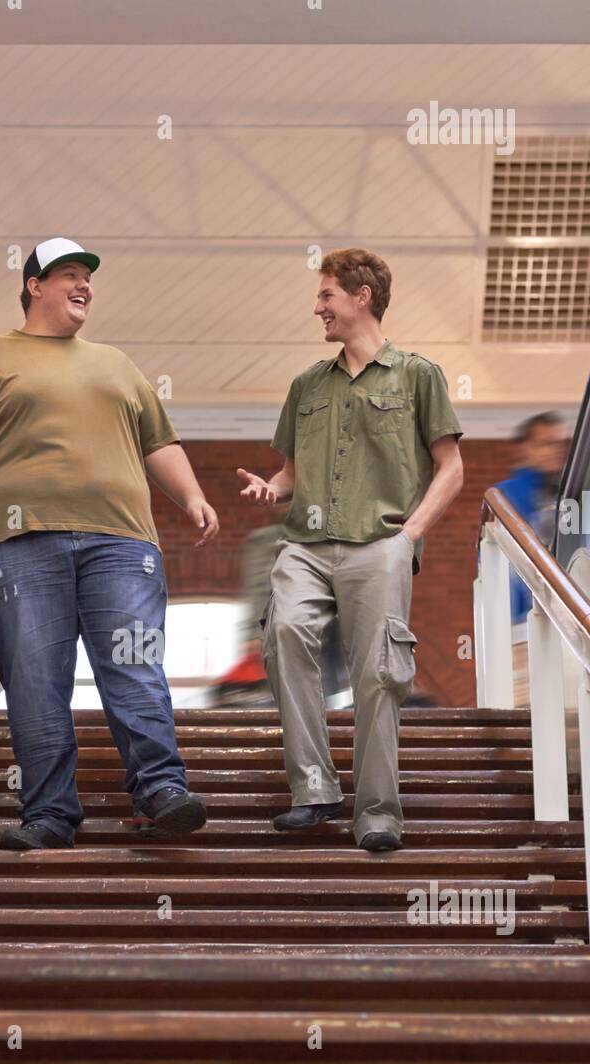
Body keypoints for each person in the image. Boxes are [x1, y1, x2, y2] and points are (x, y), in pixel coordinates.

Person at [0, 236, 219, 850]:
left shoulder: (116, 364)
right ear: (34, 286)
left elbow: (159, 442)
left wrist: (193, 497)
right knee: (34, 677)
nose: (85, 286)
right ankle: (49, 814)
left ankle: (161, 791)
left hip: (122, 543)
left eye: (88, 278)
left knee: (135, 663)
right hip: (22, 543)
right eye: (70, 275)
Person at [237, 247, 464, 852]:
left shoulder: (419, 375)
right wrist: (272, 487)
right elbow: (289, 471)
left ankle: (378, 813)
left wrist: (408, 537)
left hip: (380, 544)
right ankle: (313, 790)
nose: (318, 308)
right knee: (284, 633)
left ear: (361, 296)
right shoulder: (307, 384)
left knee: (379, 674)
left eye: (327, 295)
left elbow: (452, 468)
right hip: (306, 544)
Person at [496, 412, 570, 623]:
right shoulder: (504, 495)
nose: (555, 451)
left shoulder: (570, 495)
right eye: (546, 443)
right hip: (523, 615)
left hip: (569, 610)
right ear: (526, 448)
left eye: (559, 444)